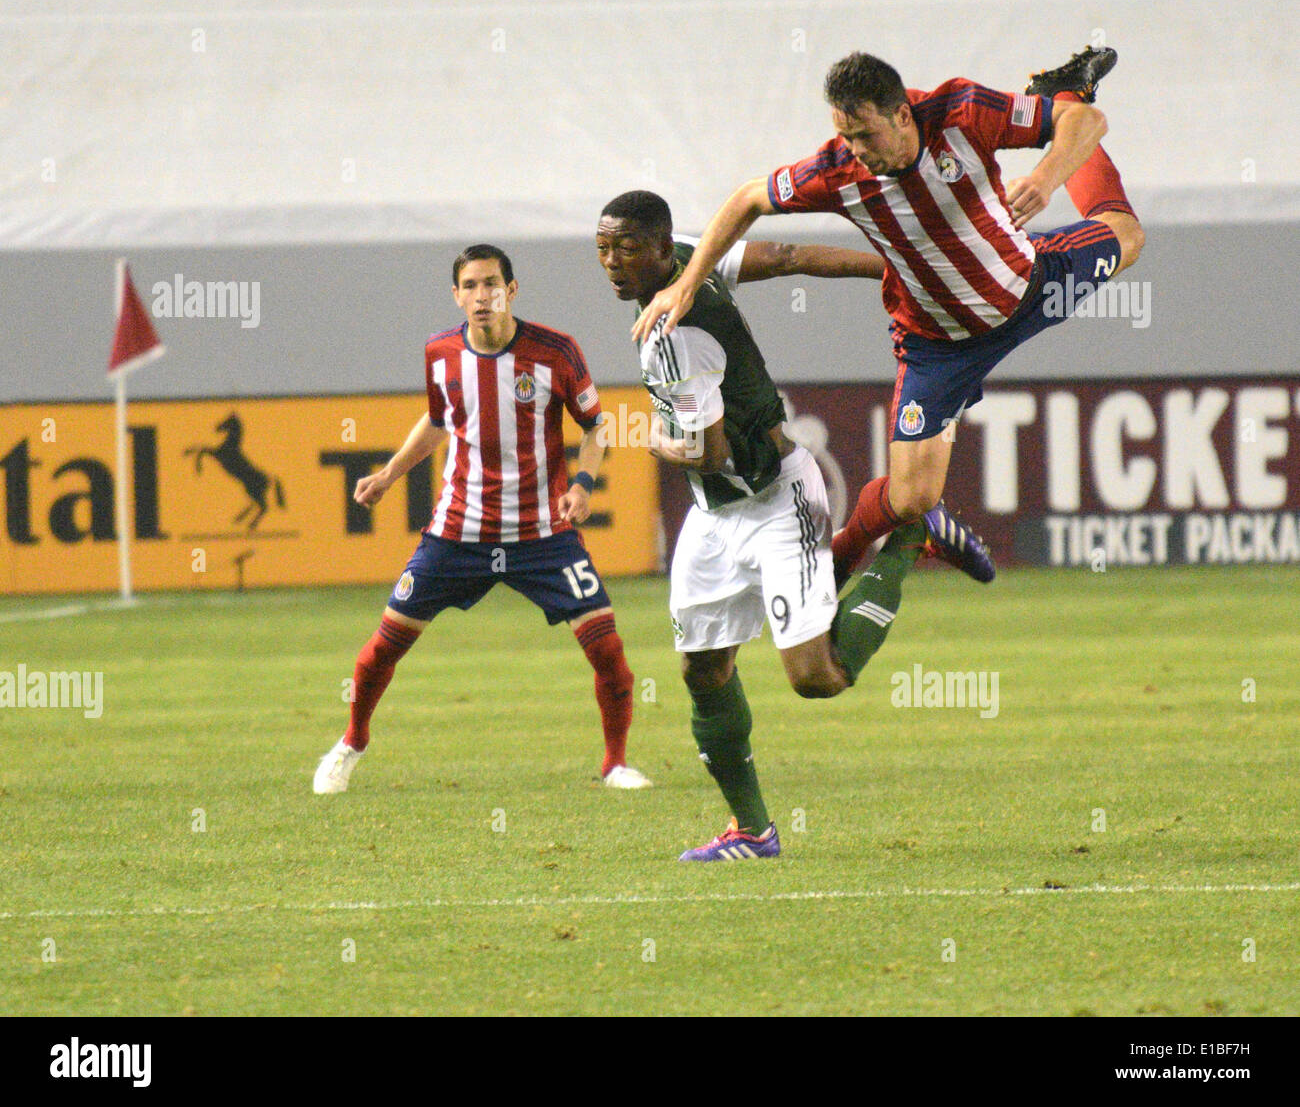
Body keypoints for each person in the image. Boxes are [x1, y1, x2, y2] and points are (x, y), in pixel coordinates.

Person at [632, 45, 1144, 582]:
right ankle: (846, 552)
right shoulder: (837, 171)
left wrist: (1045, 176)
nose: (856, 150)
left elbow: (1087, 122)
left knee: (1127, 235)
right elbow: (748, 199)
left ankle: (1060, 87)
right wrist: (688, 283)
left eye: (866, 135)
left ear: (902, 114)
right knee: (913, 495)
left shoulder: (962, 112)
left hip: (1029, 285)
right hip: (939, 343)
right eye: (845, 136)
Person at [598, 191, 989, 861]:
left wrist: (650, 436)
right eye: (603, 249)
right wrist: (886, 267)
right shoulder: (696, 259)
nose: (612, 262)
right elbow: (786, 254)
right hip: (715, 514)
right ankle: (753, 831)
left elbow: (707, 451)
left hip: (777, 498)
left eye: (628, 248)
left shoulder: (678, 336)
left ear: (662, 249)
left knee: (816, 676)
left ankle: (909, 536)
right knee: (704, 666)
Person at [314, 244, 652, 795]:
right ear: (456, 295)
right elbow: (436, 419)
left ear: (511, 290)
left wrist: (583, 485)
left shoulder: (556, 351)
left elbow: (595, 427)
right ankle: (351, 742)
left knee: (608, 650)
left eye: (491, 284)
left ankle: (615, 763)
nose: (481, 296)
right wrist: (388, 475)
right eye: (470, 286)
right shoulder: (440, 352)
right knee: (384, 645)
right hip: (459, 531)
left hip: (543, 534)